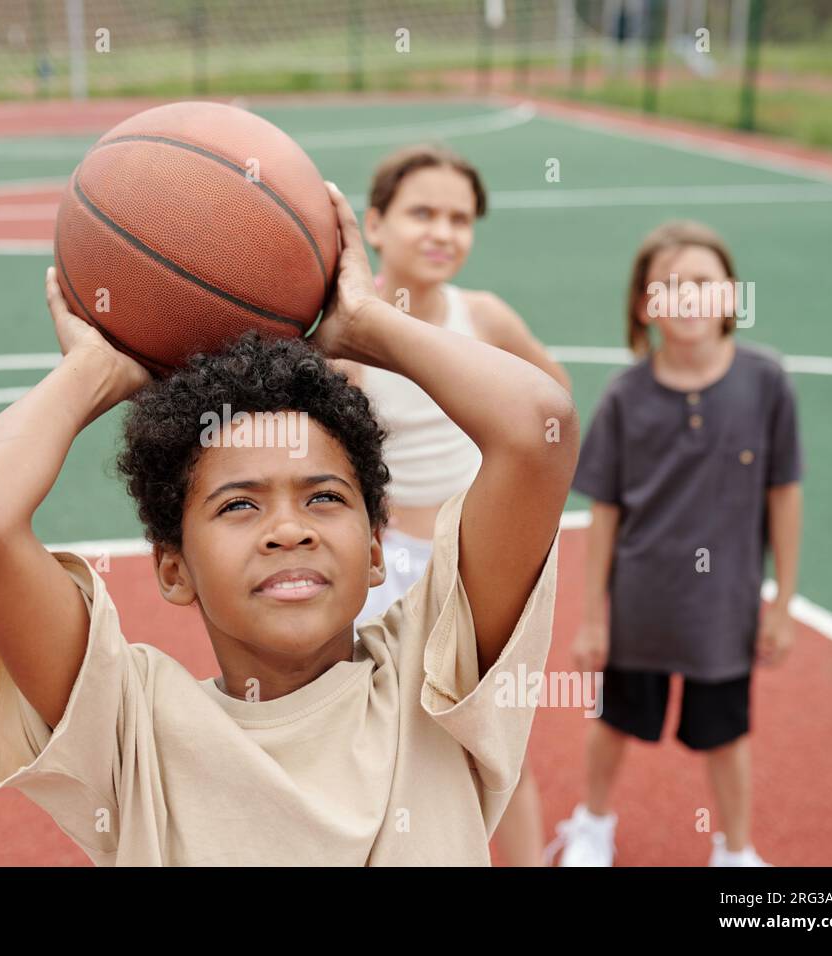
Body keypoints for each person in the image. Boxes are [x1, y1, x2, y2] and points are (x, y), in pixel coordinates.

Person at [0, 182, 577, 865]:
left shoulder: (435, 682)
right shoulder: (131, 726)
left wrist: (364, 322)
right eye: (239, 505)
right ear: (173, 569)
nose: (289, 530)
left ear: (378, 552)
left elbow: (541, 430)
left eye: (324, 497)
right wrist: (94, 370)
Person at [334, 145, 572, 866]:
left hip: (475, 571)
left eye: (460, 218)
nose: (442, 231)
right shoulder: (344, 338)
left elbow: (552, 410)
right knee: (377, 747)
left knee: (501, 745)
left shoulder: (486, 318)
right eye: (422, 213)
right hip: (382, 574)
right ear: (373, 225)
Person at [548, 220, 803, 867]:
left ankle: (736, 850)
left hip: (725, 608)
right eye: (667, 285)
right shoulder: (627, 396)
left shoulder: (767, 382)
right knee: (614, 725)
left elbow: (784, 493)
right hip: (642, 605)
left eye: (700, 282)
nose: (685, 297)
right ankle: (594, 824)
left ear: (730, 295)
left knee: (727, 736)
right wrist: (592, 618)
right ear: (643, 305)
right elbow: (604, 513)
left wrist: (783, 602)